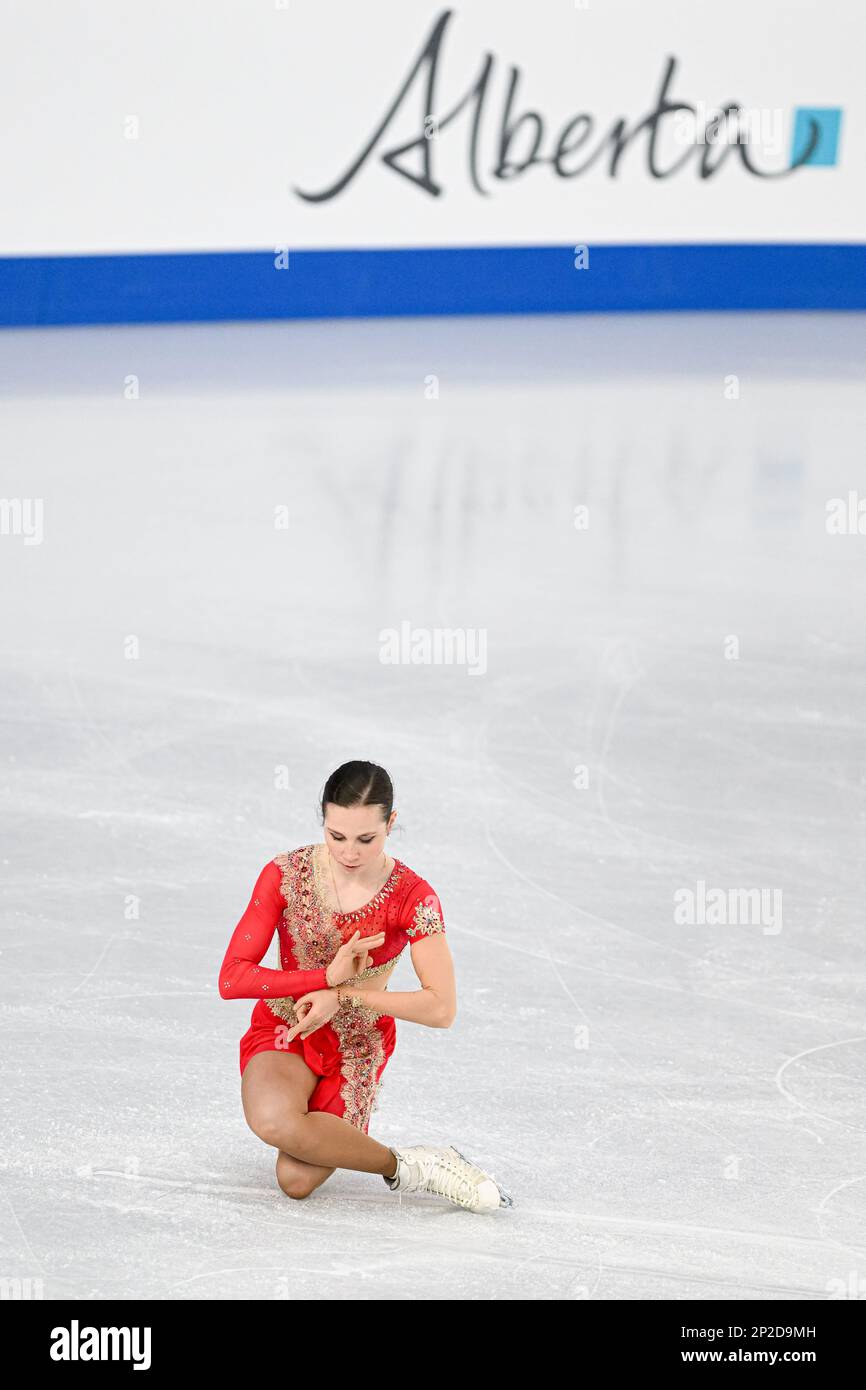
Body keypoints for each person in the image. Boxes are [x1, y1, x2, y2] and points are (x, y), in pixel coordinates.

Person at [219, 759, 513, 1214]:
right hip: (287, 1027)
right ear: (323, 816)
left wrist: (344, 995)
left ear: (390, 824)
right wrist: (322, 978)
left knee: (295, 1179)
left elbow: (442, 1009)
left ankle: (376, 1143)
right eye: (336, 836)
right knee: (273, 1119)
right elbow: (232, 977)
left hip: (356, 1044)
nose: (349, 852)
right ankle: (413, 1166)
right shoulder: (286, 874)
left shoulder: (413, 897)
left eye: (366, 839)